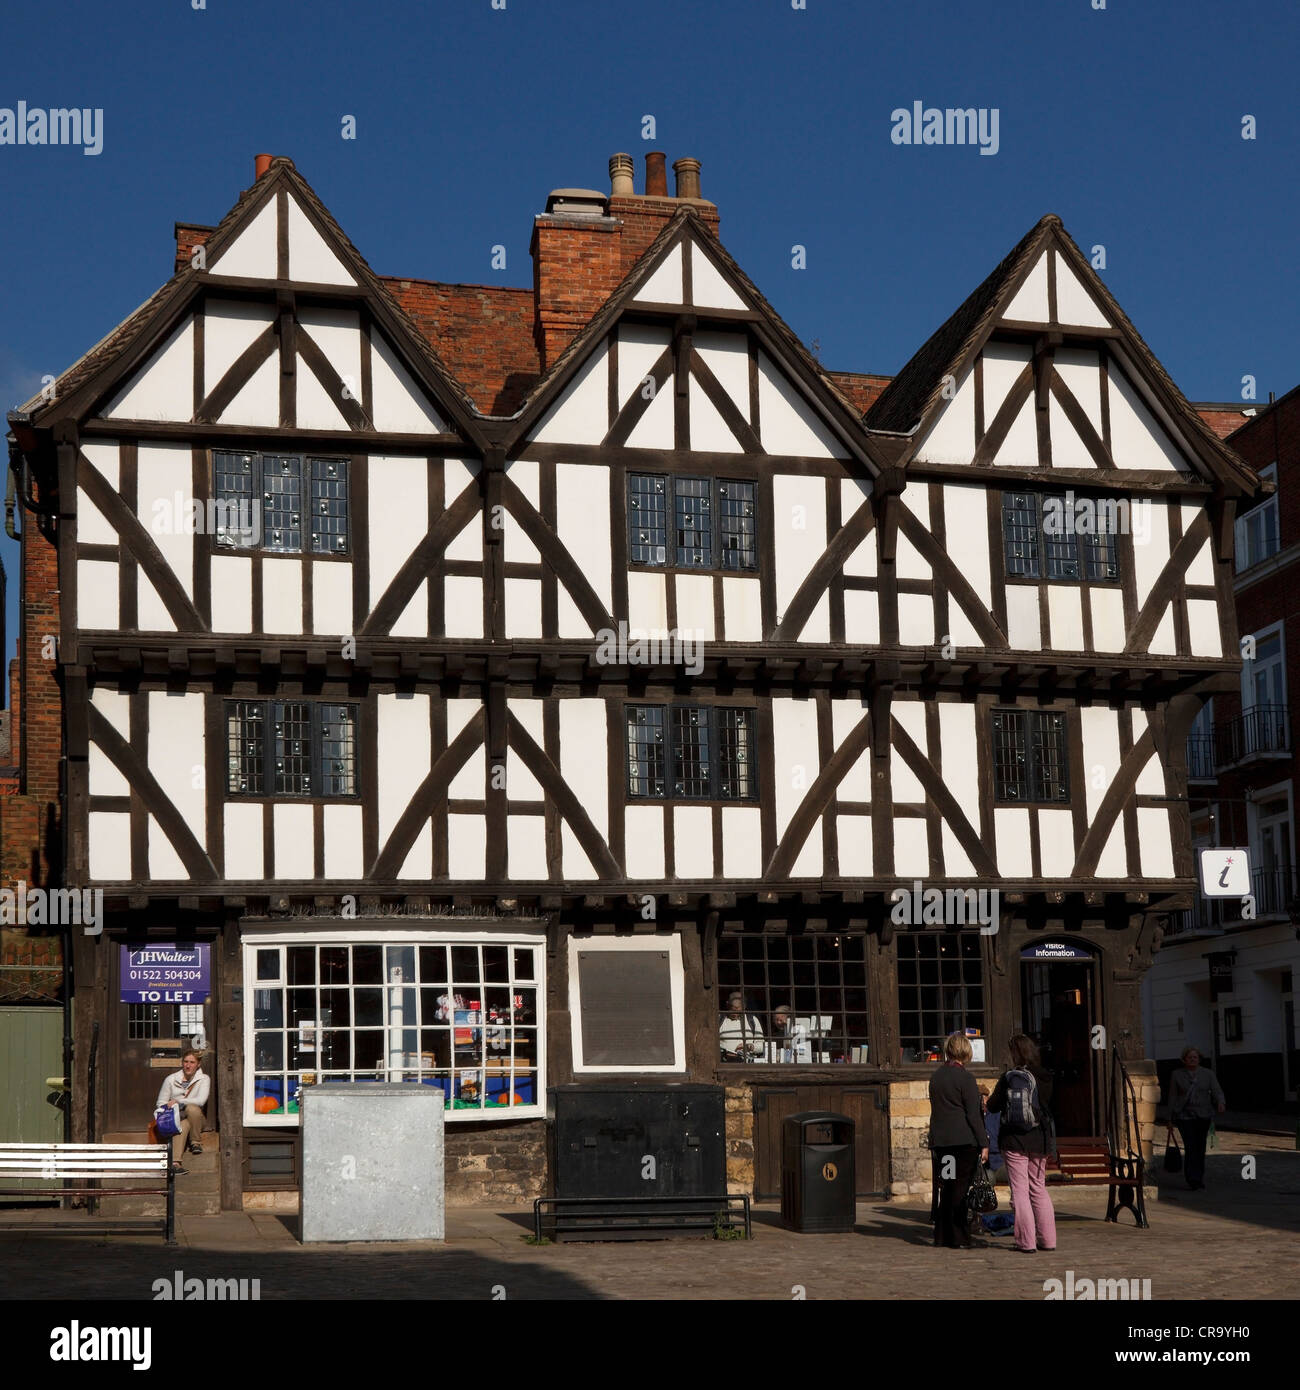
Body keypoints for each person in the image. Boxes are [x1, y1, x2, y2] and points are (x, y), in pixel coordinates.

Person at [986, 1034, 1057, 1253]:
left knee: (1020, 1191)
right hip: (1040, 1139)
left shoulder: (1010, 1077)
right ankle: (1048, 1240)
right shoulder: (1045, 1076)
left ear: (1015, 1053)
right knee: (1038, 1188)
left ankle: (1025, 1242)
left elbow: (993, 1106)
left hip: (1014, 1140)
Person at [928, 1032, 989, 1248]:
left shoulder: (936, 1078)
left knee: (947, 1187)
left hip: (943, 1143)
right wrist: (984, 1143)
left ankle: (942, 1235)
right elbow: (973, 1115)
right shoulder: (966, 1079)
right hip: (964, 1144)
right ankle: (959, 1236)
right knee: (960, 1191)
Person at [1167, 1046, 1226, 1191]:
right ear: (1184, 1060)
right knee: (1190, 1146)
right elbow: (1172, 1096)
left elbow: (1216, 1090)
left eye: (1195, 1057)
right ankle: (1192, 1178)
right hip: (1184, 1115)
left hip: (1203, 1114)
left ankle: (1199, 1177)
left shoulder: (1208, 1074)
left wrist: (1221, 1102)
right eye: (1190, 1057)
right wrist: (1169, 1118)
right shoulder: (1177, 1075)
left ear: (1199, 1059)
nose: (1193, 1060)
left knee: (1200, 1147)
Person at [155, 1049, 210, 1174]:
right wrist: (172, 1106)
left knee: (192, 1108)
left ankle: (195, 1142)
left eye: (192, 1062)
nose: (188, 1065)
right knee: (183, 1124)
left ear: (198, 1064)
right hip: (177, 1118)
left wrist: (179, 1101)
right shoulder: (171, 1079)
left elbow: (201, 1100)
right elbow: (160, 1103)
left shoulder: (204, 1079)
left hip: (197, 1120)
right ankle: (175, 1163)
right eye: (185, 1061)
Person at [718, 991, 764, 1061]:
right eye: (733, 1011)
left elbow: (762, 1045)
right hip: (724, 1063)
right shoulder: (719, 1019)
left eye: (739, 1012)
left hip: (746, 1063)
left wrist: (750, 1047)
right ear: (727, 1005)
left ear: (744, 1007)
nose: (735, 1015)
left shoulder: (752, 1020)